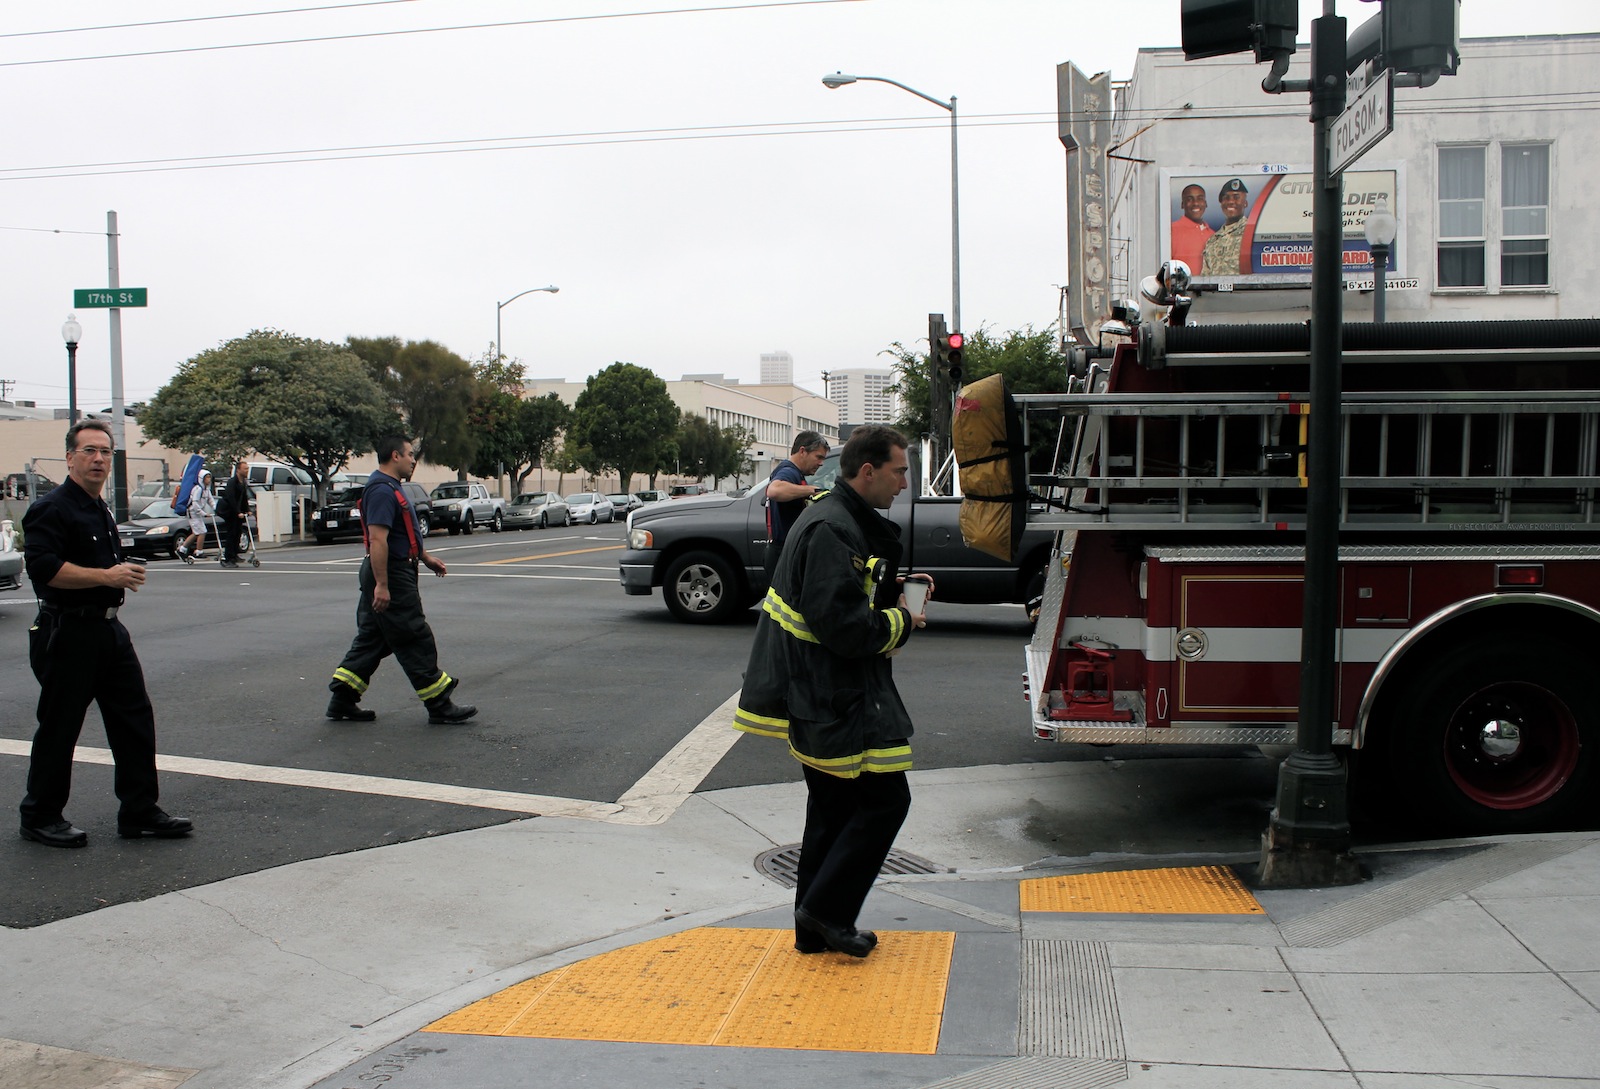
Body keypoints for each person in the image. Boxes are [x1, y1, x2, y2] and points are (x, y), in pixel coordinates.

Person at [734, 425, 931, 958]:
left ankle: (814, 927)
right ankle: (825, 913)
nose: (904, 483)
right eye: (899, 471)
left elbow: (841, 595)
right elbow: (844, 628)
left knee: (834, 809)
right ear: (868, 472)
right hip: (832, 693)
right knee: (886, 801)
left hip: (822, 691)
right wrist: (903, 621)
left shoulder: (838, 519)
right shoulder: (831, 527)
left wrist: (889, 589)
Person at [19, 420, 193, 847]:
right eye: (89, 451)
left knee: (134, 718)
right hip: (68, 631)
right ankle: (40, 815)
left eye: (105, 452)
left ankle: (139, 809)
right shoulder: (52, 508)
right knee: (60, 727)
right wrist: (108, 574)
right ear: (69, 458)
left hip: (108, 630)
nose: (98, 459)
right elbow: (43, 570)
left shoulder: (99, 508)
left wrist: (113, 580)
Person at [327, 435, 476, 725]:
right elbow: (379, 541)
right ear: (395, 456)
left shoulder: (390, 487)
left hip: (392, 570)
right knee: (413, 635)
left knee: (374, 637)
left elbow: (400, 534)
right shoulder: (382, 491)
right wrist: (382, 585)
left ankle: (342, 698)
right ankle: (439, 704)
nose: (412, 460)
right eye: (409, 455)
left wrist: (425, 557)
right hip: (390, 574)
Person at [763, 430, 831, 581]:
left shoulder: (795, 473)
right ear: (802, 451)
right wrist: (812, 490)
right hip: (783, 553)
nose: (821, 463)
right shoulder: (789, 472)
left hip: (786, 551)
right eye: (818, 457)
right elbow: (774, 491)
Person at [1200, 177, 1252, 277]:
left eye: (1236, 197)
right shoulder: (1212, 241)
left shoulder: (1251, 234)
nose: (1231, 202)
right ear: (1221, 204)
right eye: (1226, 198)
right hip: (1215, 292)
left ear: (1245, 203)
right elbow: (1205, 278)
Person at [1169, 183, 1213, 272]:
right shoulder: (1171, 231)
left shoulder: (1213, 235)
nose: (1195, 203)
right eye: (1189, 199)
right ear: (1182, 204)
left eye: (1200, 199)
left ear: (1205, 203)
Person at [217, 459, 252, 569]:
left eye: (247, 468)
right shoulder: (232, 482)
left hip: (237, 512)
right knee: (231, 534)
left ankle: (235, 554)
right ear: (238, 470)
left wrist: (247, 510)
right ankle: (228, 558)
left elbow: (243, 498)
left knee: (238, 532)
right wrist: (238, 512)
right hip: (228, 511)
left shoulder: (243, 482)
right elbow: (231, 498)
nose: (247, 471)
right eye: (245, 469)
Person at [176, 468, 216, 561]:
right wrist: (204, 514)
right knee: (202, 531)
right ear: (201, 478)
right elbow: (195, 504)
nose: (209, 479)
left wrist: (215, 508)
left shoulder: (206, 489)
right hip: (193, 512)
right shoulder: (198, 489)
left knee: (196, 532)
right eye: (207, 477)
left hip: (197, 513)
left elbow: (210, 500)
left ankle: (182, 549)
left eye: (210, 477)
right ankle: (198, 552)